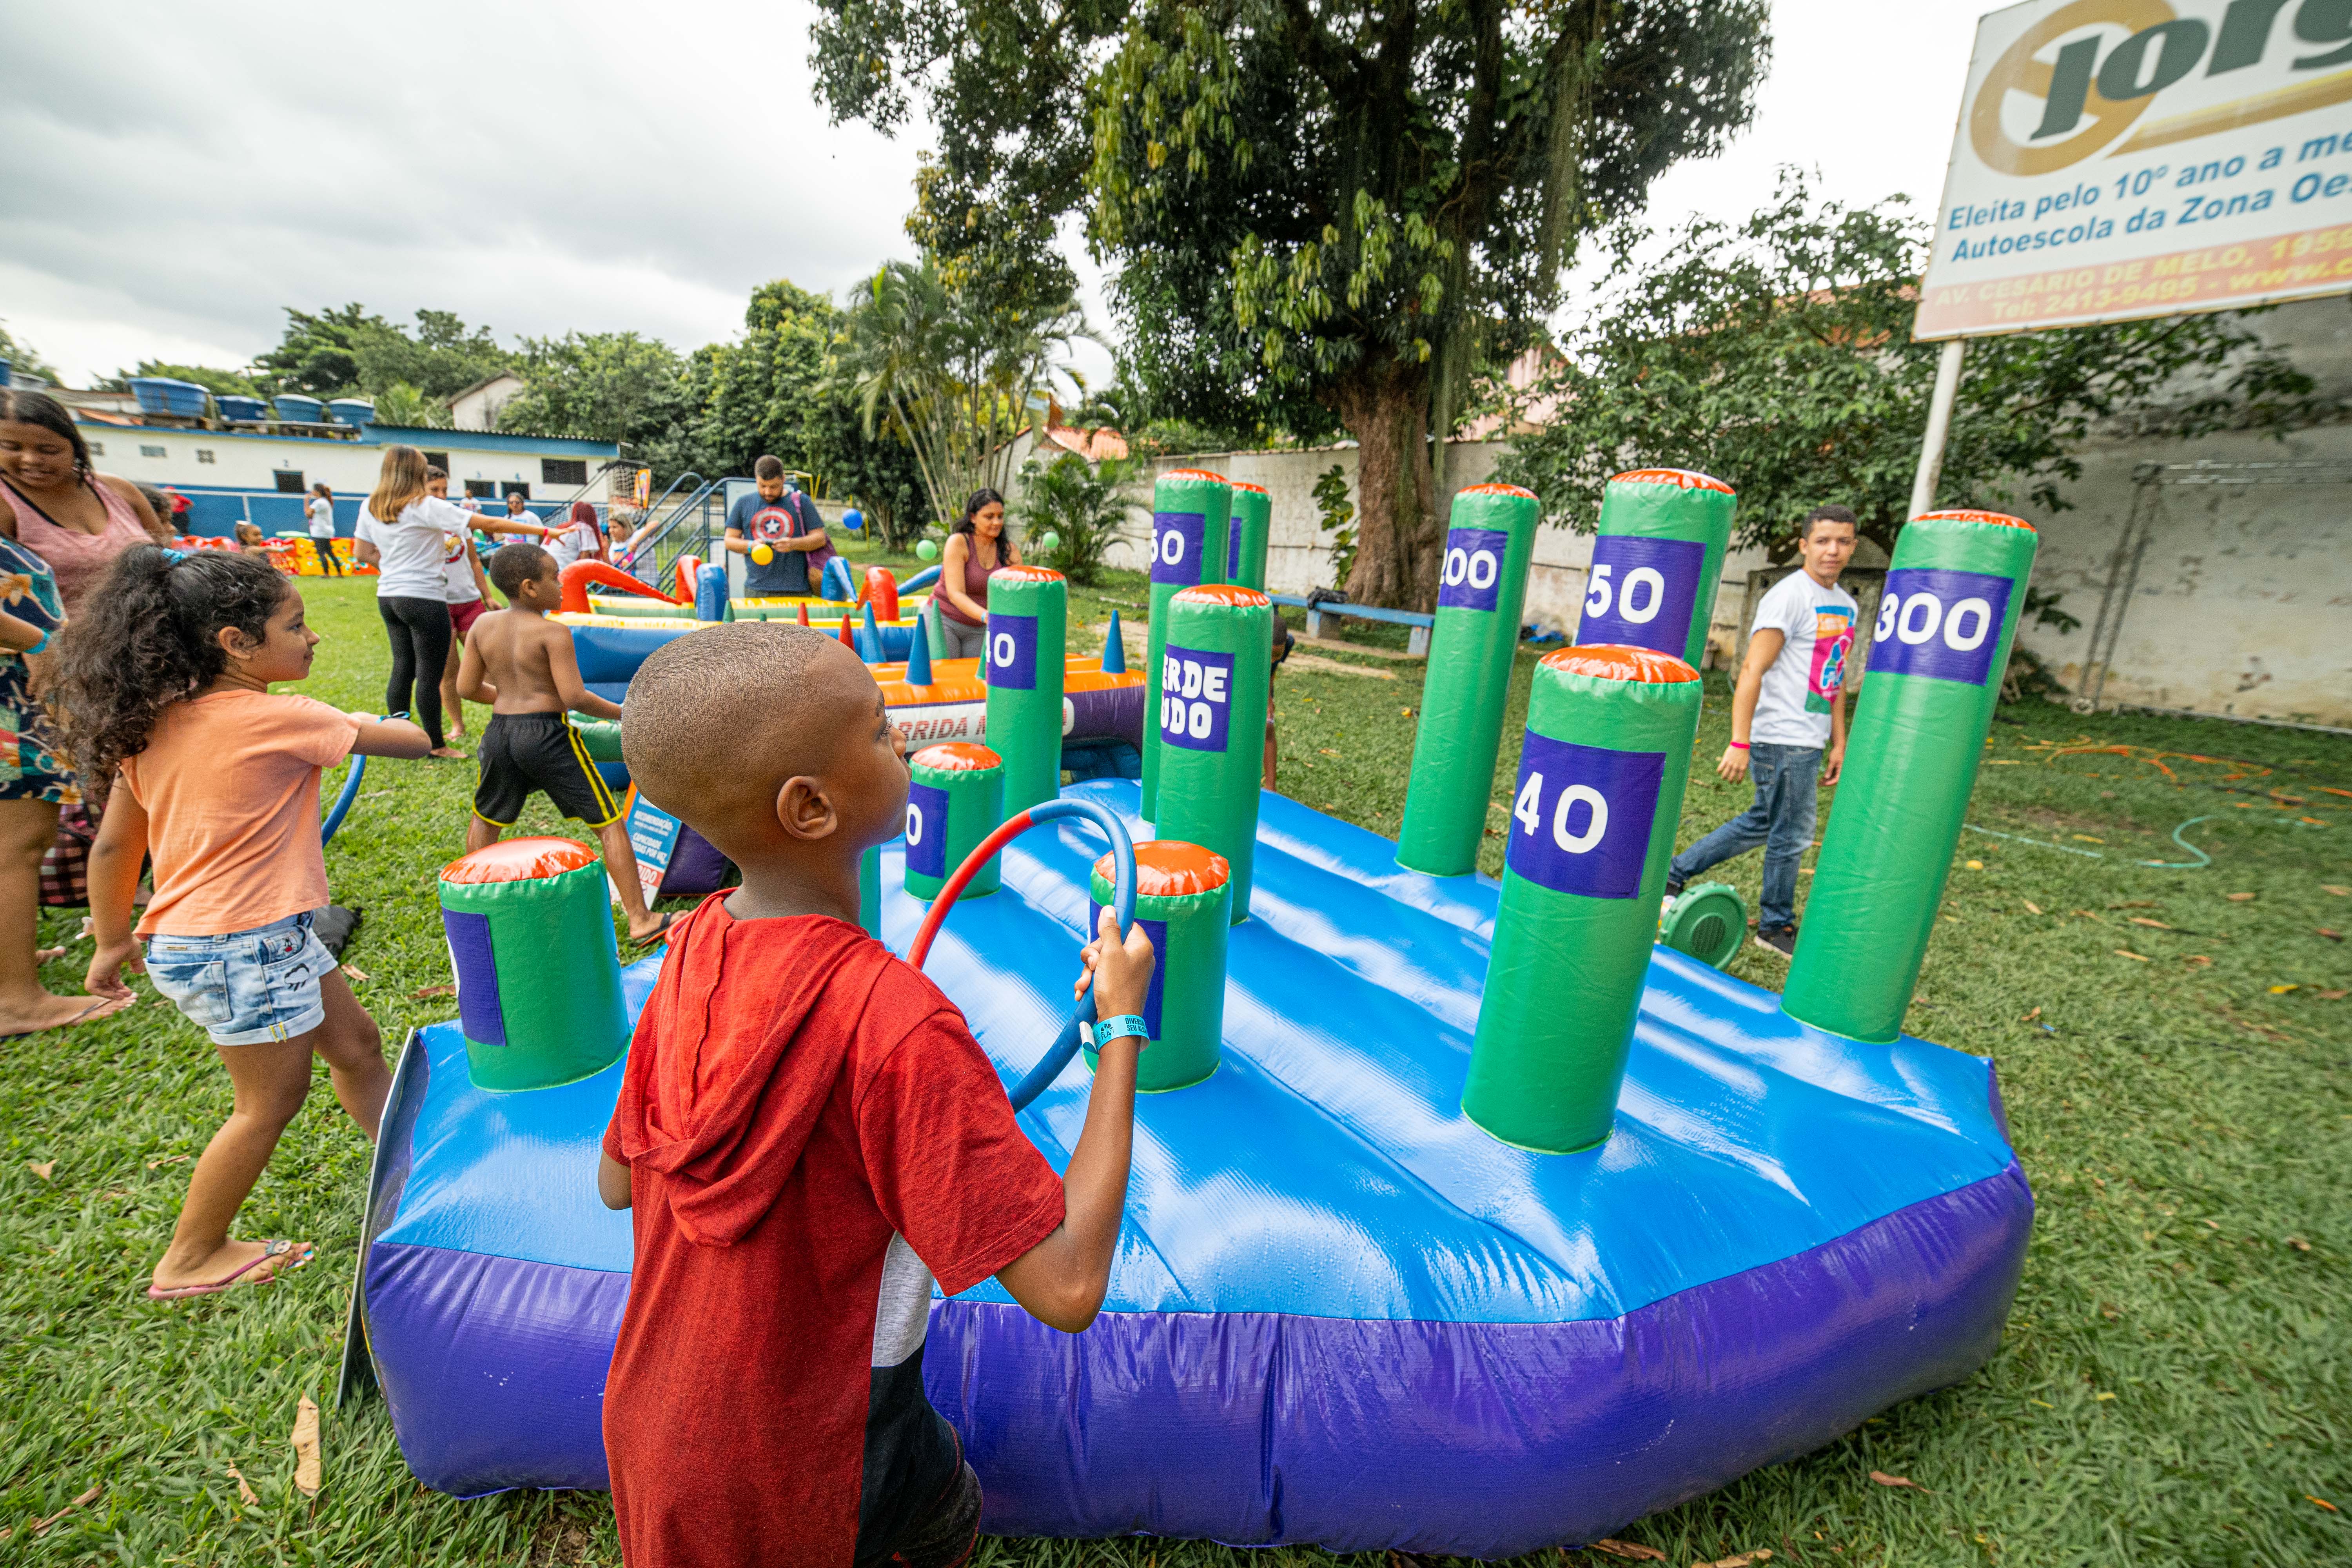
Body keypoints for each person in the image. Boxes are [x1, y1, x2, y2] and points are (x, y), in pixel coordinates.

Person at [595, 621, 1155, 1568]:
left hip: (655, 1425)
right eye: (878, 727)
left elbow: (618, 1181)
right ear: (810, 805)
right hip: (813, 1461)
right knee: (935, 1516)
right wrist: (1121, 1025)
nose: (901, 738)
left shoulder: (690, 945)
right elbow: (1067, 1287)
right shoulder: (899, 1028)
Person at [55, 547, 430, 1297]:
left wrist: (110, 939)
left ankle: (417, 1164)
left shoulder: (155, 724)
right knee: (268, 1104)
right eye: (296, 625)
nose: (314, 637)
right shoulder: (278, 717)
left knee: (355, 1044)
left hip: (228, 937)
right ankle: (191, 1257)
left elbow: (117, 846)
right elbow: (415, 741)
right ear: (235, 642)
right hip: (242, 945)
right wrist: (357, 719)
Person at [1666, 503, 1860, 958]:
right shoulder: (1790, 596)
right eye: (1823, 540)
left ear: (1853, 546)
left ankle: (1676, 871)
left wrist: (1840, 739)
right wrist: (1740, 739)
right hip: (1782, 734)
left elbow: (1836, 677)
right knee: (1790, 832)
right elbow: (1752, 667)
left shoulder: (1845, 604)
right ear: (1804, 545)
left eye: (1844, 541)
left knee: (1765, 821)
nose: (1833, 550)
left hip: (1811, 735)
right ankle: (1774, 926)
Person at [454, 544, 671, 946]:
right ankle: (641, 920)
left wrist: (509, 700)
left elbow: (466, 687)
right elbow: (575, 697)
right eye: (554, 577)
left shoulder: (483, 626)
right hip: (547, 735)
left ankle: (471, 914)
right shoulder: (554, 632)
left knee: (486, 819)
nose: (561, 585)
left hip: (500, 733)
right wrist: (626, 712)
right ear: (530, 588)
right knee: (609, 823)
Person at [0, 524, 116, 1038]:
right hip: (11, 694)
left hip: (22, 692)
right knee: (16, 847)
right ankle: (16, 999)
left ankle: (11, 961)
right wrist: (35, 641)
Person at [350, 445, 476, 759]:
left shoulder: (372, 505)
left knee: (403, 668)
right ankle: (436, 744)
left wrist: (394, 569)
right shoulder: (424, 505)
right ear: (416, 473)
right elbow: (490, 524)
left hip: (389, 597)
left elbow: (361, 553)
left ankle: (396, 738)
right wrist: (545, 530)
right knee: (430, 674)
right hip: (424, 597)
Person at [0, 387, 166, 611]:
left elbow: (165, 558)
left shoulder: (117, 489)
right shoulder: (6, 504)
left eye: (49, 450)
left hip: (148, 631)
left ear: (75, 448)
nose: (31, 460)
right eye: (11, 448)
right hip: (61, 643)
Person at [425, 468, 493, 742]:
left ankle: (505, 715)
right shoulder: (420, 521)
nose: (442, 496)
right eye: (435, 490)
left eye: (444, 489)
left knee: (492, 663)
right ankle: (458, 726)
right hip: (438, 604)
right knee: (449, 671)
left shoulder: (457, 519)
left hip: (469, 601)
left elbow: (475, 562)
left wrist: (487, 595)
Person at [722, 455, 828, 600]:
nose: (768, 492)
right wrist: (751, 546)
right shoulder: (744, 503)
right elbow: (729, 541)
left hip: (797, 590)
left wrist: (793, 544)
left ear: (783, 479)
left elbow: (820, 539)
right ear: (756, 478)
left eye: (773, 487)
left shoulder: (801, 502)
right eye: (762, 486)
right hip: (757, 590)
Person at [935, 488, 1018, 661]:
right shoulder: (959, 543)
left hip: (980, 627)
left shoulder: (1009, 551)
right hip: (945, 620)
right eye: (989, 517)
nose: (997, 522)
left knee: (977, 680)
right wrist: (986, 616)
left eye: (1000, 516)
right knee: (949, 675)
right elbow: (956, 593)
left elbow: (1018, 592)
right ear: (973, 518)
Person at [543, 501, 605, 575]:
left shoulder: (563, 526)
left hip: (545, 566)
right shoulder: (584, 528)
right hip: (560, 570)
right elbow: (584, 558)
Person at [306, 482, 344, 575]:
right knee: (330, 552)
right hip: (326, 531)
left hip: (320, 532)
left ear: (317, 492)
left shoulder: (319, 503)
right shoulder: (326, 502)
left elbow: (308, 513)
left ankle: (326, 573)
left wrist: (306, 501)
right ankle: (339, 573)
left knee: (321, 553)